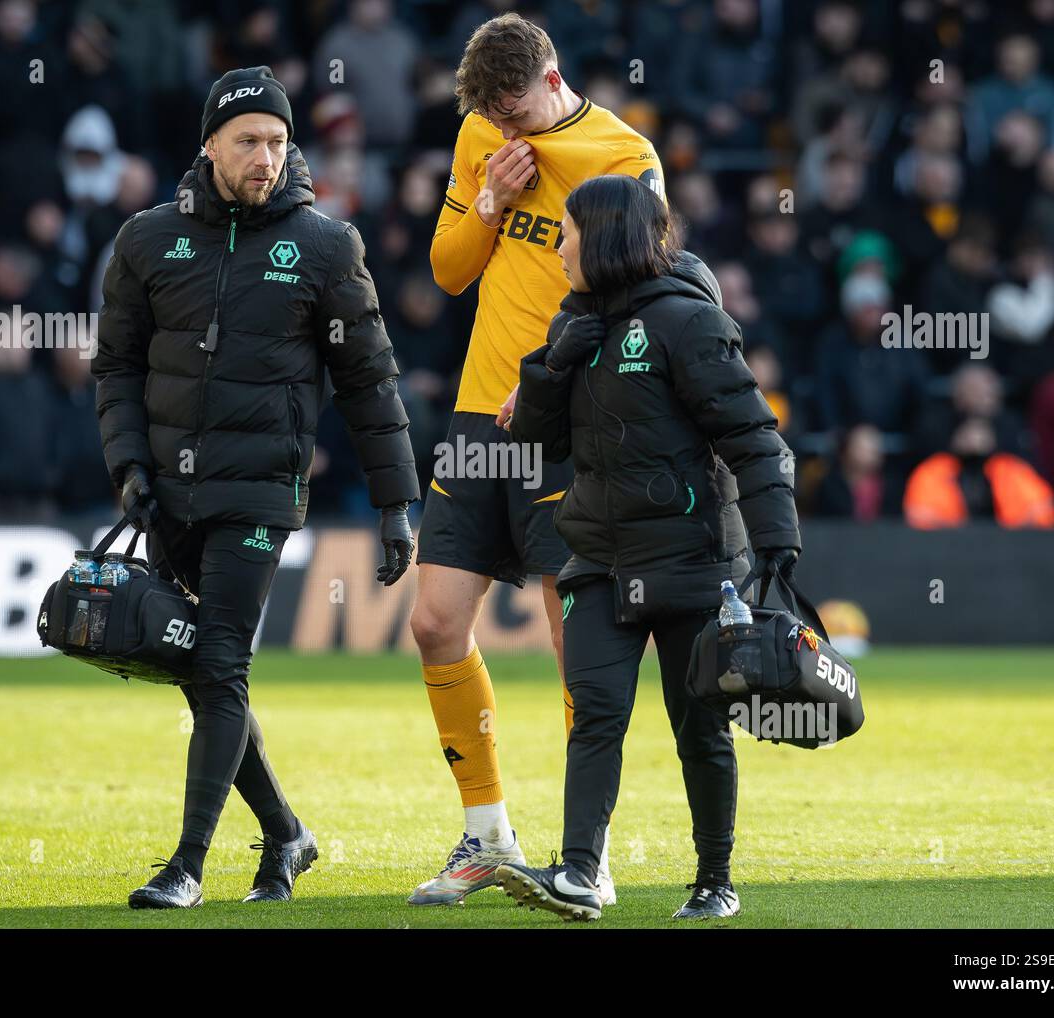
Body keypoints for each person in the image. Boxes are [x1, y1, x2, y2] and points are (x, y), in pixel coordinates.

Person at [92, 66, 420, 909]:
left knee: (220, 660)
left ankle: (187, 866)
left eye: (277, 142)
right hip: (167, 495)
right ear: (209, 146)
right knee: (204, 673)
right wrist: (128, 467)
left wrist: (395, 503)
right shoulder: (146, 240)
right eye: (248, 142)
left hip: (260, 498)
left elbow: (371, 385)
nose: (265, 157)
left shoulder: (324, 245)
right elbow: (118, 368)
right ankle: (285, 834)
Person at [409, 12, 665, 908]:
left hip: (570, 422)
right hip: (481, 413)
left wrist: (555, 376)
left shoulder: (625, 156)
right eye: (494, 118)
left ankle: (582, 856)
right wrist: (485, 202)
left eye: (516, 113)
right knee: (435, 621)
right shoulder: (481, 133)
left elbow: (641, 295)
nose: (506, 132)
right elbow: (446, 271)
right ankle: (485, 834)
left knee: (574, 642)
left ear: (552, 78)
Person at [498, 174, 801, 921]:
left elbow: (756, 438)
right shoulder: (574, 319)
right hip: (599, 555)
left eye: (567, 231)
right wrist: (550, 365)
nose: (558, 245)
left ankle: (715, 880)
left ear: (602, 237)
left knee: (697, 725)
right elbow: (539, 439)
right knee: (594, 710)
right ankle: (577, 873)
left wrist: (775, 543)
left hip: (693, 559)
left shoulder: (689, 323)